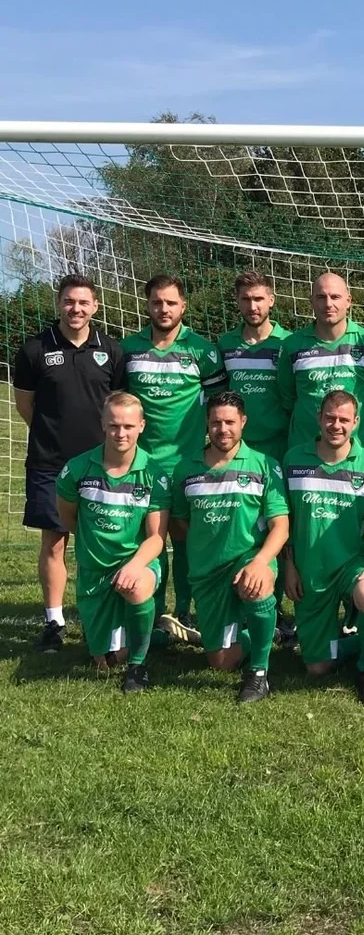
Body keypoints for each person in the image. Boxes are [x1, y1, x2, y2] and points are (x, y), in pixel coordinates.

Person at [13, 274, 125, 651]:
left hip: (102, 464)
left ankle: (108, 616)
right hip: (50, 463)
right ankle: (54, 622)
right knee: (55, 541)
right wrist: (53, 435)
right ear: (59, 303)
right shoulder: (33, 350)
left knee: (105, 541)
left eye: (83, 303)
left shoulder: (111, 350)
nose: (75, 309)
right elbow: (25, 405)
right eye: (69, 301)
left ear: (95, 306)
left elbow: (118, 406)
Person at [121, 275, 227, 642]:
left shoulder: (203, 351)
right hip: (141, 465)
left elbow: (218, 407)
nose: (163, 309)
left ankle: (184, 610)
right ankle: (147, 608)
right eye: (156, 302)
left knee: (185, 540)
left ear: (183, 306)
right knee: (145, 540)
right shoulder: (128, 350)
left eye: (170, 303)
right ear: (147, 305)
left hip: (186, 465)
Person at [170, 391, 289, 703]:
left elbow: (280, 525)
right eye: (216, 422)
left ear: (244, 422)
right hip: (208, 571)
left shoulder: (264, 465)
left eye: (230, 422)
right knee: (221, 663)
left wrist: (261, 561)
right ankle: (261, 633)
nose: (223, 429)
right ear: (206, 425)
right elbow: (180, 524)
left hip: (249, 558)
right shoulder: (185, 469)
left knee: (258, 584)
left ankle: (259, 673)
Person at [283, 390, 364, 706]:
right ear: (319, 418)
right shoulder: (294, 460)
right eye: (330, 417)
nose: (336, 425)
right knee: (318, 667)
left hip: (350, 565)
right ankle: (361, 641)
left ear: (356, 422)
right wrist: (289, 565)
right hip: (309, 571)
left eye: (344, 419)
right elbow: (282, 520)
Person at [54, 392, 167, 690]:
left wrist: (134, 565)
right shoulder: (76, 470)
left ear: (141, 426)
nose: (121, 433)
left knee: (137, 585)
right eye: (114, 425)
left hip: (136, 563)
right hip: (95, 574)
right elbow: (68, 519)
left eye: (128, 426)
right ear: (103, 424)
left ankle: (138, 667)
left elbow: (156, 537)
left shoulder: (155, 474)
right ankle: (157, 633)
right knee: (105, 659)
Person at [217, 271, 294, 641]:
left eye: (259, 298)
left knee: (278, 530)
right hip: (239, 453)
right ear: (237, 302)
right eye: (246, 299)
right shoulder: (225, 345)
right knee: (242, 530)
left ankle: (273, 609)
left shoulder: (288, 344)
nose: (253, 306)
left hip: (278, 450)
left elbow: (293, 397)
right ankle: (237, 602)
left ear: (272, 300)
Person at [277, 272, 364, 453]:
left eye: (335, 297)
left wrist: (350, 424)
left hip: (357, 453)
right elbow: (288, 400)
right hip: (304, 452)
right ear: (311, 301)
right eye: (321, 297)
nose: (328, 304)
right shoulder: (292, 346)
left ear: (348, 301)